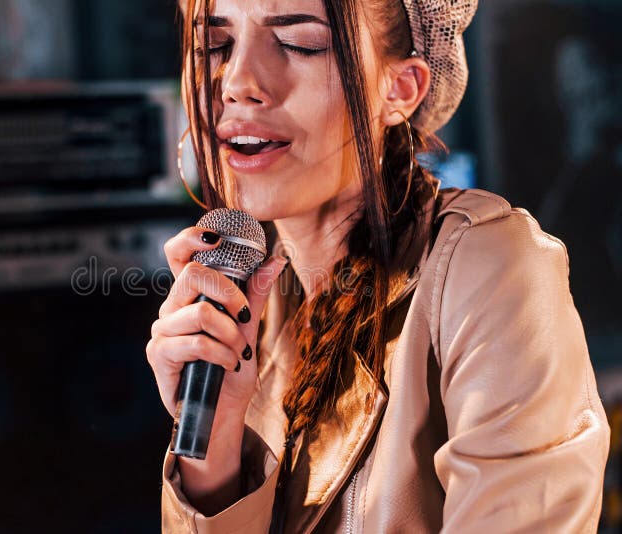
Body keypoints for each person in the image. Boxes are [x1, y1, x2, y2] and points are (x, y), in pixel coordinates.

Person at [145, 0, 611, 531]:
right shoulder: (253, 304)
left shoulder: (489, 267)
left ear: (401, 89)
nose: (237, 82)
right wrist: (217, 438)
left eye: (300, 44)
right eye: (214, 45)